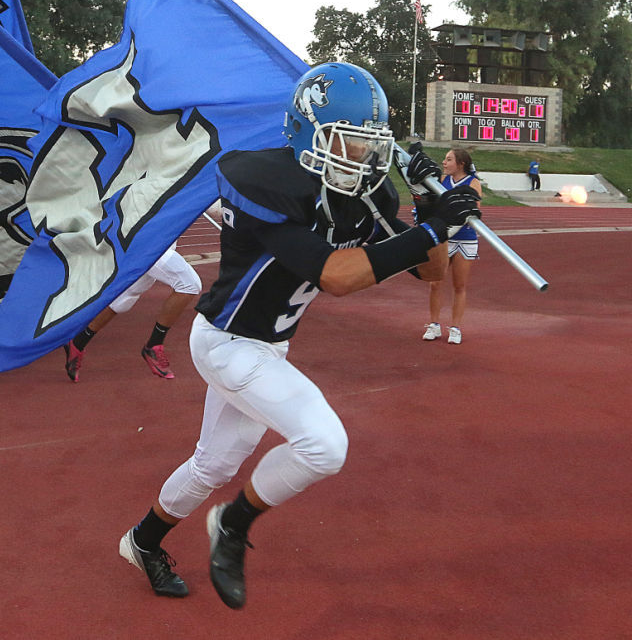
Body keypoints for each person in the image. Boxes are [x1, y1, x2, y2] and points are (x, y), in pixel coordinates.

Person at [116, 63, 481, 608]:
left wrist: (432, 211)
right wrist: (429, 230)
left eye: (368, 143)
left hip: (267, 346)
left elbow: (428, 272)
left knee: (214, 464)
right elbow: (334, 275)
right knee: (324, 445)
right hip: (227, 342)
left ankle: (141, 541)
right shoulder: (270, 181)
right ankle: (233, 526)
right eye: (348, 141)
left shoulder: (364, 197)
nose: (361, 155)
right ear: (312, 133)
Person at [62, 245, 202, 381]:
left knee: (122, 300)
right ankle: (154, 345)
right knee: (189, 284)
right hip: (151, 242)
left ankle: (78, 343)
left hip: (160, 240)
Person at [421, 148, 482, 345]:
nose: (444, 163)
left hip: (464, 238)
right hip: (444, 237)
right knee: (435, 282)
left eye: (449, 160)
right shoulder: (440, 180)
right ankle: (433, 324)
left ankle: (455, 327)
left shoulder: (473, 183)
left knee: (459, 285)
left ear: (461, 163)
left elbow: (474, 211)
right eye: (445, 159)